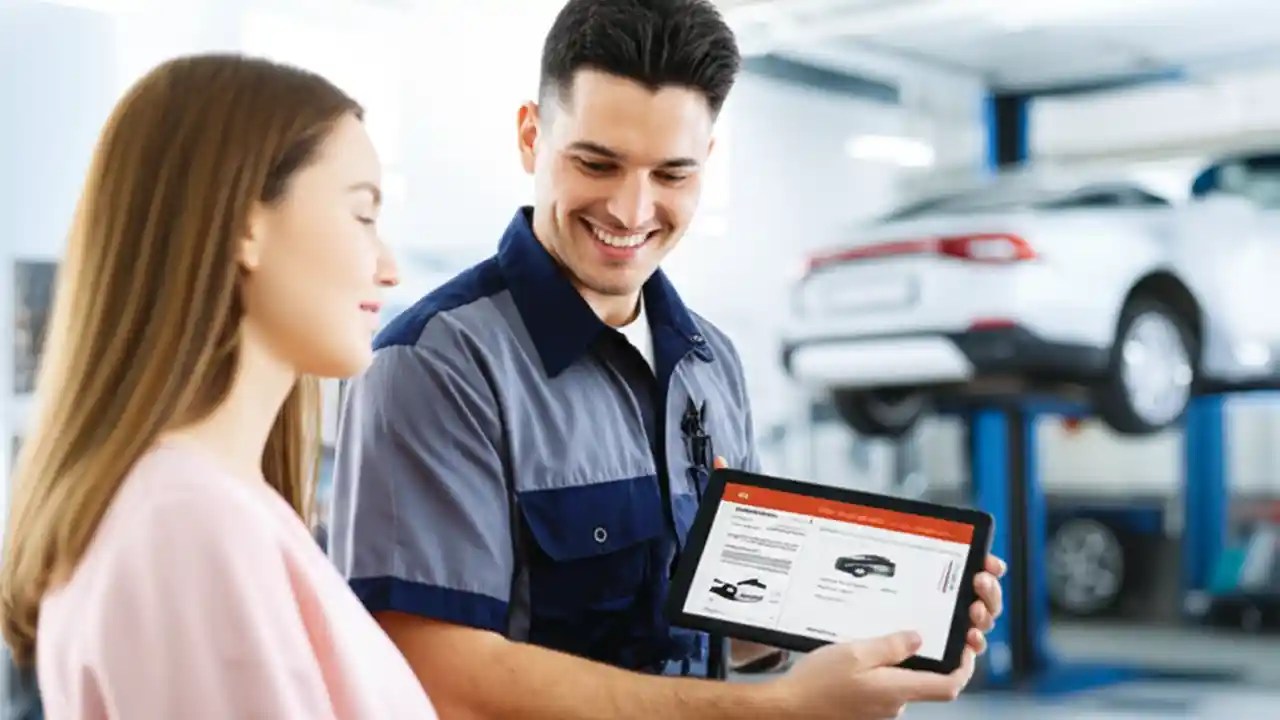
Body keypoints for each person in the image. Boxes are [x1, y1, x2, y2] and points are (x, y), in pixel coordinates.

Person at [329, 0, 1005, 718]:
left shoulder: (711, 365)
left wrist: (858, 623)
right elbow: (435, 676)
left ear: (706, 162)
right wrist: (779, 710)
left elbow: (702, 632)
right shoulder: (437, 366)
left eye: (671, 175)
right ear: (531, 137)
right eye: (597, 163)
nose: (631, 209)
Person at [0, 53, 437, 719]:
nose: (389, 267)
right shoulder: (187, 524)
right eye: (362, 215)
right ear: (243, 227)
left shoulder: (202, 508)